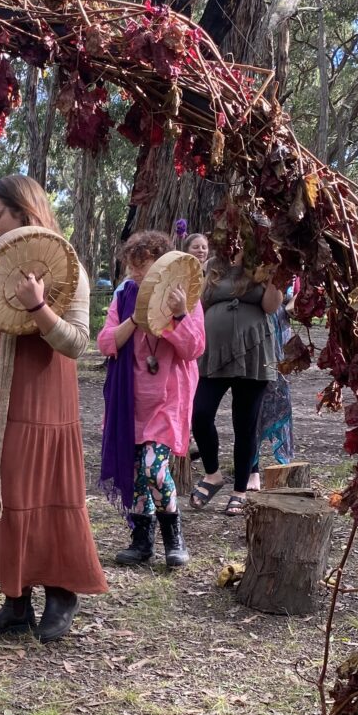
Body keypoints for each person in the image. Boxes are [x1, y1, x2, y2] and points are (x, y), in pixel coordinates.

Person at [0, 174, 107, 643]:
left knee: (42, 487)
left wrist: (39, 306)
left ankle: (61, 593)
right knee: (3, 489)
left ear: (26, 211)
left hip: (42, 395)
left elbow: (77, 343)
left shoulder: (66, 265)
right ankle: (15, 599)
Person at [98, 231, 205, 567]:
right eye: (132, 266)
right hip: (130, 400)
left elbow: (194, 348)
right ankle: (142, 541)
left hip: (167, 400)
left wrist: (178, 315)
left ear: (161, 265)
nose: (135, 273)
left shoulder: (185, 297)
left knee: (153, 469)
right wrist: (134, 318)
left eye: (141, 266)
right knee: (135, 471)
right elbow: (106, 343)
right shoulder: (125, 296)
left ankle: (174, 538)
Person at [189, 246, 283, 516]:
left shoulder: (263, 265)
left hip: (254, 351)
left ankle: (240, 490)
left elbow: (270, 306)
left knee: (245, 424)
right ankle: (212, 475)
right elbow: (199, 305)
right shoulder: (212, 265)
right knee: (200, 413)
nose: (238, 239)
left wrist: (276, 273)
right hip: (214, 353)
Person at [247, 278, 297, 490]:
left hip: (280, 334)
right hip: (254, 330)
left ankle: (284, 464)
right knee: (252, 398)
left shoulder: (291, 270)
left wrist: (296, 302)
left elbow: (295, 302)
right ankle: (251, 468)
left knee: (281, 396)